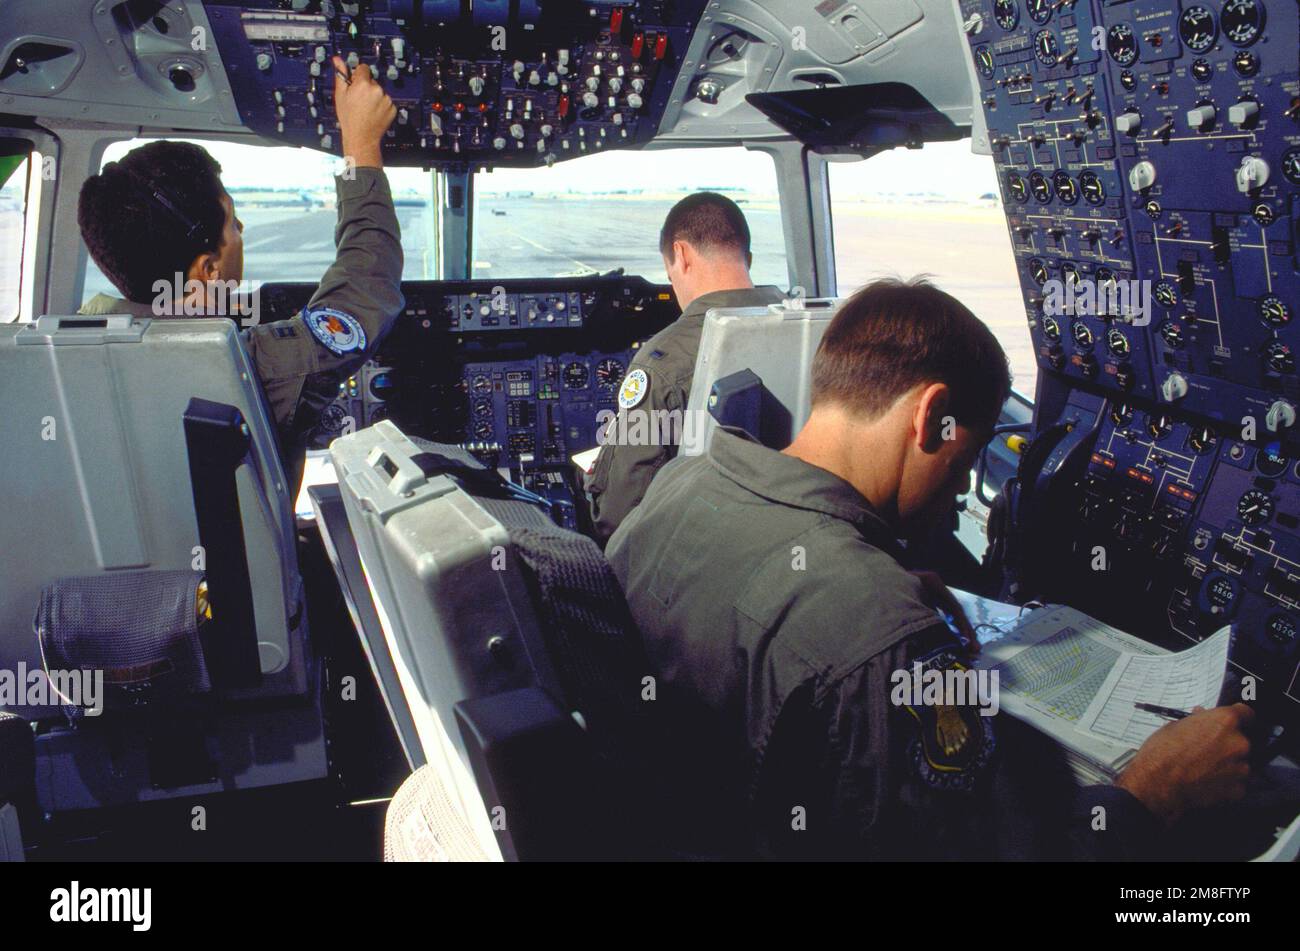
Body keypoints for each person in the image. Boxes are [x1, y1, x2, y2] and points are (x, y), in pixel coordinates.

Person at [606, 278, 1255, 860]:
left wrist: (874, 575)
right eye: (964, 462)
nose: (957, 490)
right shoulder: (877, 626)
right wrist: (1154, 790)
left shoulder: (685, 480)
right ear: (929, 415)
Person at [76, 56, 402, 495]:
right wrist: (360, 144)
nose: (241, 231)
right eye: (231, 222)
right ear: (209, 269)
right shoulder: (250, 366)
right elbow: (367, 282)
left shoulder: (74, 351)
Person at [584, 192, 786, 543]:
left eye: (669, 269)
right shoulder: (806, 327)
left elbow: (618, 516)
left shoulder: (662, 361)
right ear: (747, 258)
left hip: (703, 551)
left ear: (681, 254)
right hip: (784, 535)